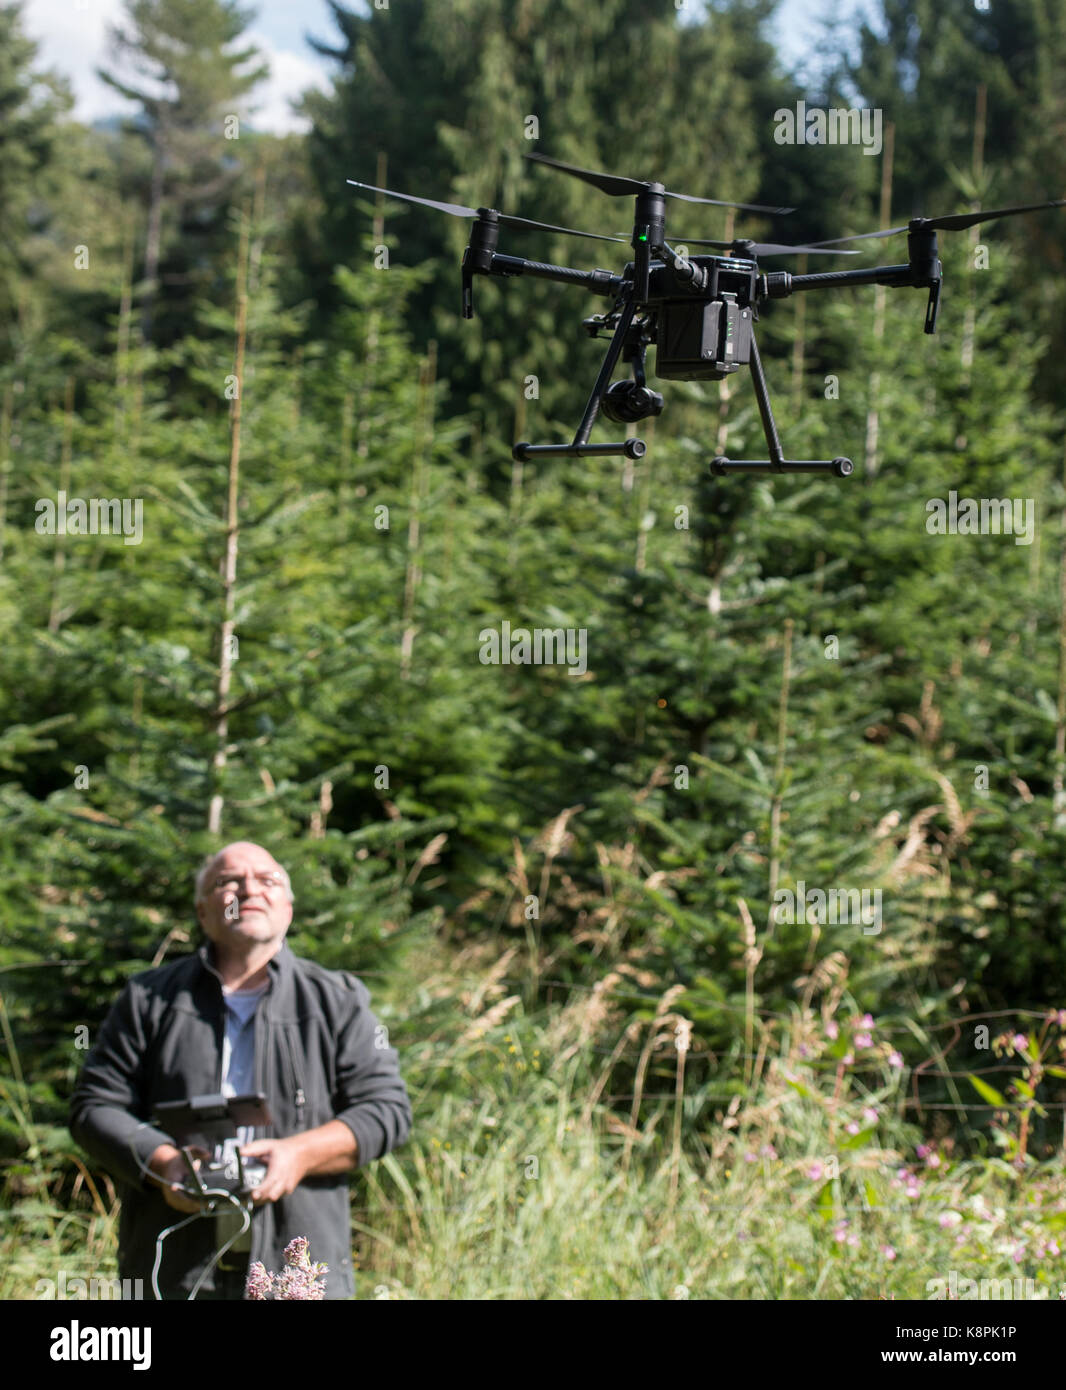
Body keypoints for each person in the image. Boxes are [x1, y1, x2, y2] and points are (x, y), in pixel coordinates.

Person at [69, 840, 413, 1300]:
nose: (250, 890)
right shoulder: (149, 998)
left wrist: (299, 1155)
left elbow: (387, 1110)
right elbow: (94, 1108)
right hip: (174, 1266)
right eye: (228, 882)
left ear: (287, 909)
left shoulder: (338, 1000)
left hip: (296, 1272)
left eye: (267, 881)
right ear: (203, 911)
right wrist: (165, 1163)